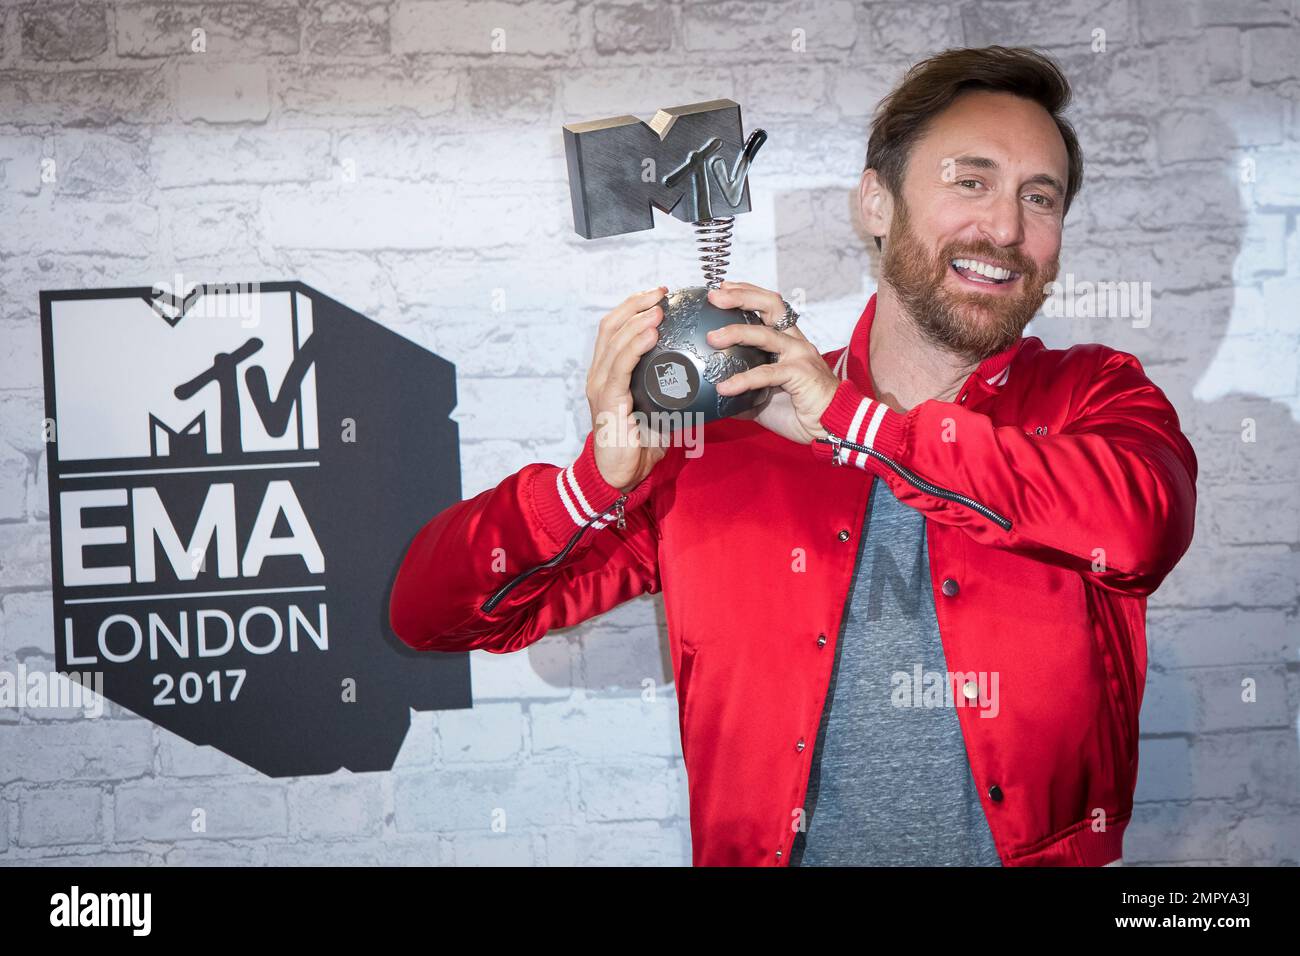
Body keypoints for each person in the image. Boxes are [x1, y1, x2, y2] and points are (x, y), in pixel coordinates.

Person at [388, 45, 1198, 866]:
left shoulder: (1095, 395)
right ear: (877, 204)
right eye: (970, 181)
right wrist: (593, 480)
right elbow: (429, 613)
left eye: (1040, 197)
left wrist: (855, 425)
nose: (1005, 228)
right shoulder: (724, 443)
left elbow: (1139, 531)